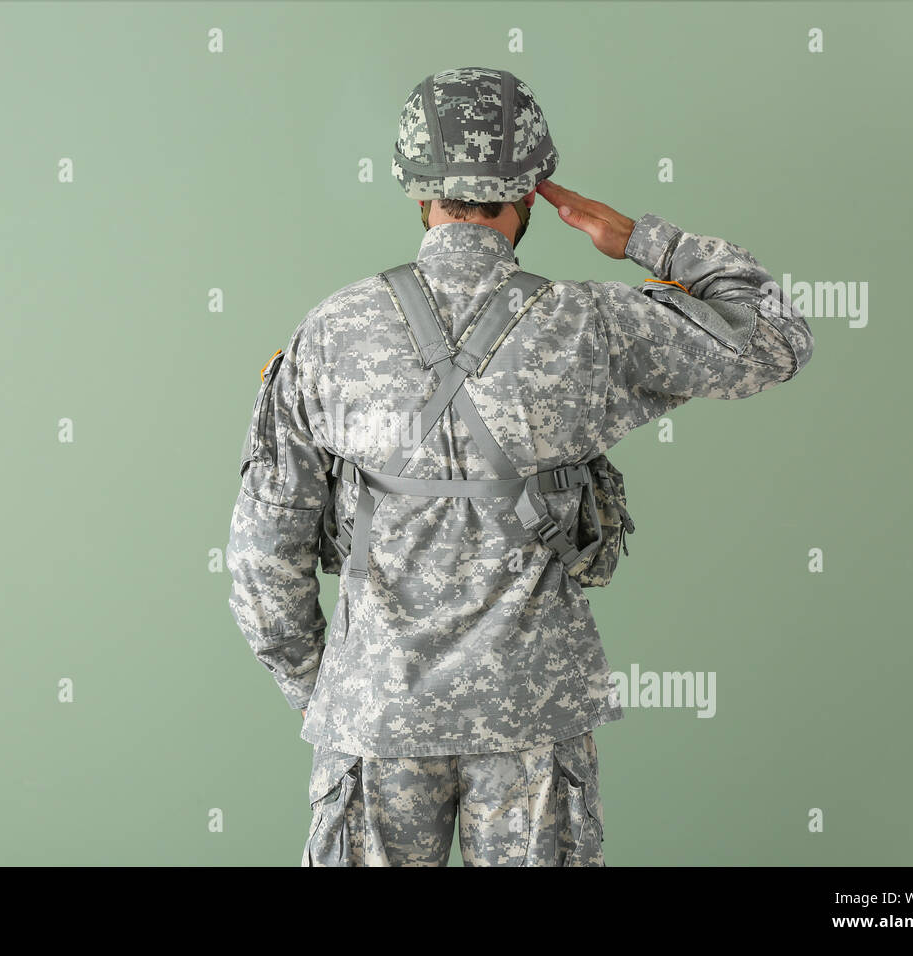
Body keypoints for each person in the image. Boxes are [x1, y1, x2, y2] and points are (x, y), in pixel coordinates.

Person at [226, 66, 814, 866]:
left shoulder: (330, 332)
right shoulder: (591, 324)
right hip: (533, 721)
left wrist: (333, 695)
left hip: (379, 719)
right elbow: (774, 338)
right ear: (535, 190)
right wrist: (644, 240)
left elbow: (264, 561)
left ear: (414, 188)